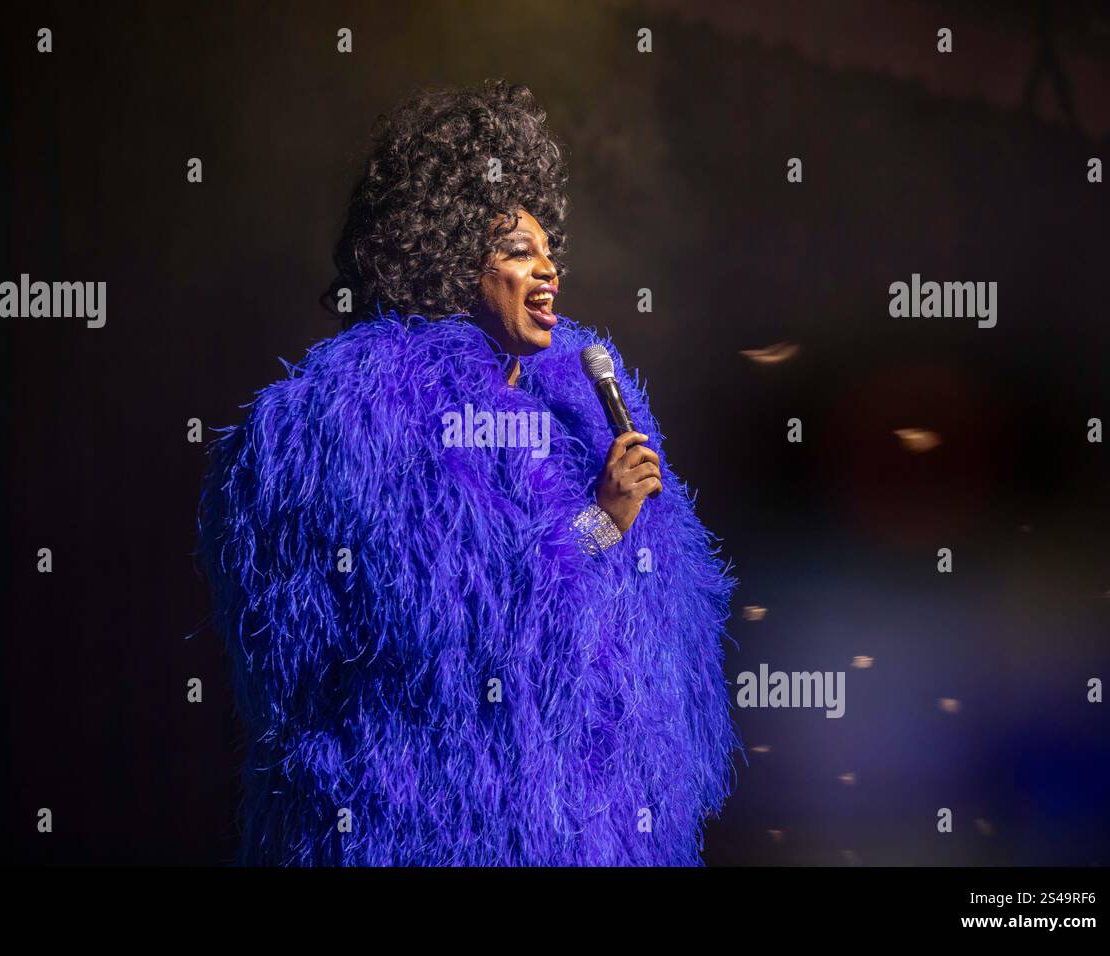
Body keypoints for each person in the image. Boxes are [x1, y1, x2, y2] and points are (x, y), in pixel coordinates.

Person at [198, 80, 737, 865]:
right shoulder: (368, 422)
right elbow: (439, 638)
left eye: (552, 253)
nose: (549, 272)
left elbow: (653, 644)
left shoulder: (584, 411)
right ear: (447, 261)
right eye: (518, 253)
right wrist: (600, 524)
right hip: (428, 836)